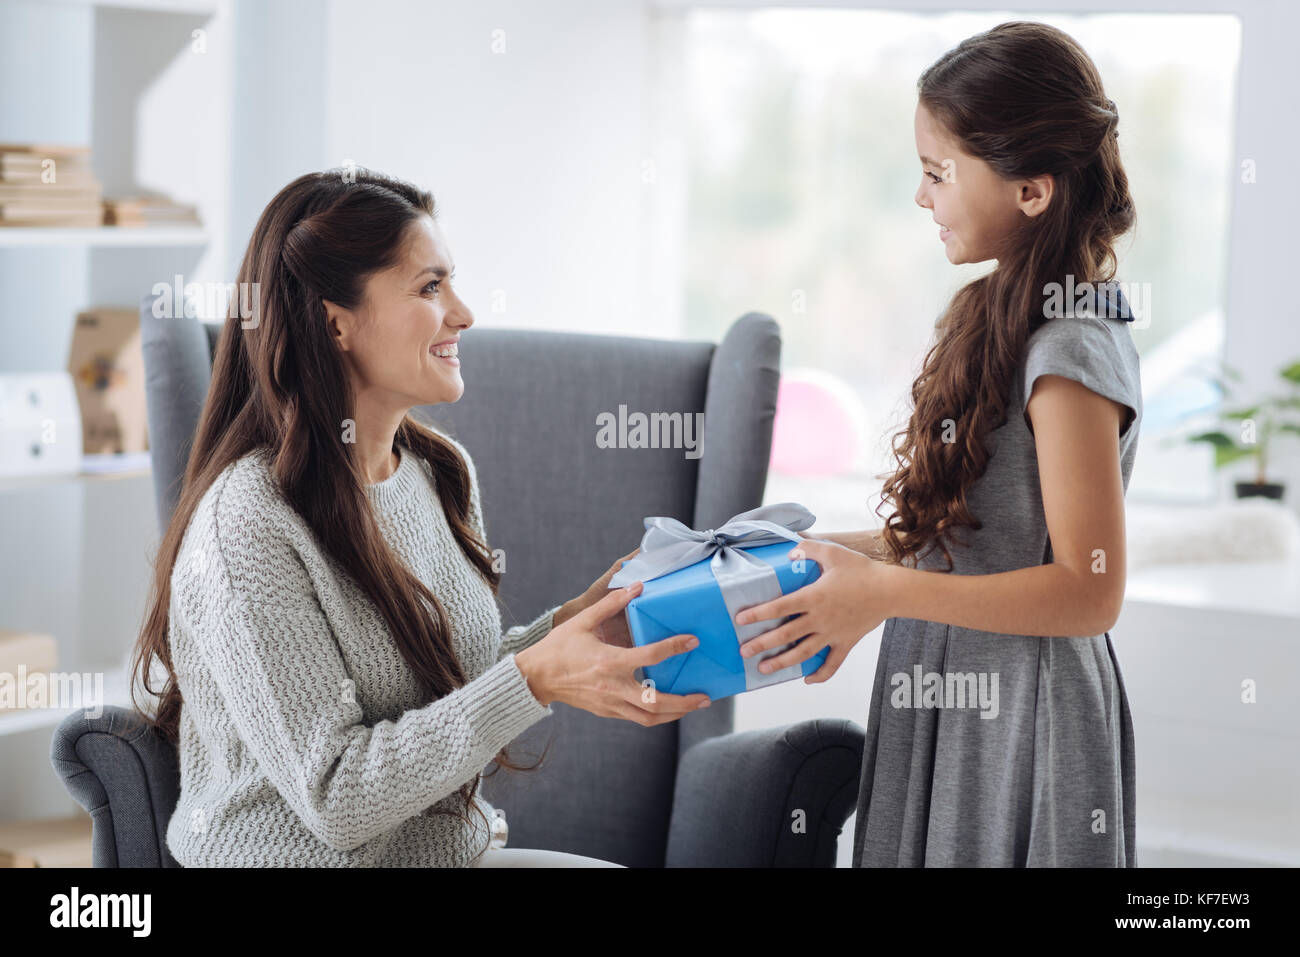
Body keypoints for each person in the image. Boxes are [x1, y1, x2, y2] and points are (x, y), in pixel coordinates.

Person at [130, 169, 710, 867]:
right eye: (430, 287)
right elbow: (337, 796)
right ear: (335, 318)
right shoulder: (247, 524)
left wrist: (570, 629)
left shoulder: (438, 474)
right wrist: (535, 677)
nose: (463, 313)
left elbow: (446, 690)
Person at [732, 21, 1141, 866]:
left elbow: (1088, 591)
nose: (922, 197)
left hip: (1024, 712)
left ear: (1032, 191)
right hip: (946, 691)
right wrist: (813, 555)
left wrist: (880, 593)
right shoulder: (988, 316)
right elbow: (967, 544)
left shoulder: (1071, 346)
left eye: (937, 173)